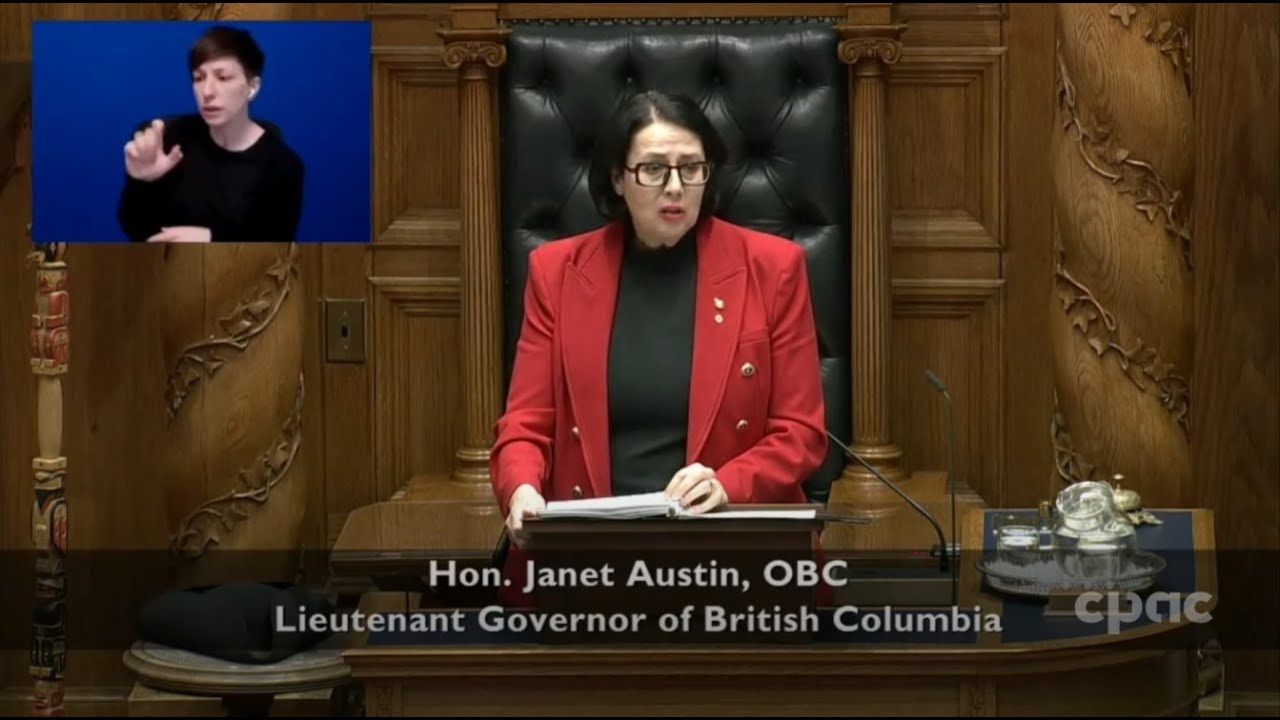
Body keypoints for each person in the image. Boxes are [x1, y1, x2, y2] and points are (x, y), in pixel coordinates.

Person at [490, 90, 828, 603]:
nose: (675, 187)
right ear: (618, 178)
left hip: (729, 553)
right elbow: (526, 424)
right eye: (653, 169)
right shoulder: (557, 273)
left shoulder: (772, 268)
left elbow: (802, 434)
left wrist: (728, 484)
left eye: (691, 168)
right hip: (591, 554)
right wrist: (521, 490)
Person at [117, 25, 304, 243]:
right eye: (198, 78)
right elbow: (135, 229)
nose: (207, 92)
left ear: (252, 87)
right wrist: (143, 183)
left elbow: (276, 248)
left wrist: (213, 239)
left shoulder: (283, 166)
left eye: (223, 78)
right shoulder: (168, 139)